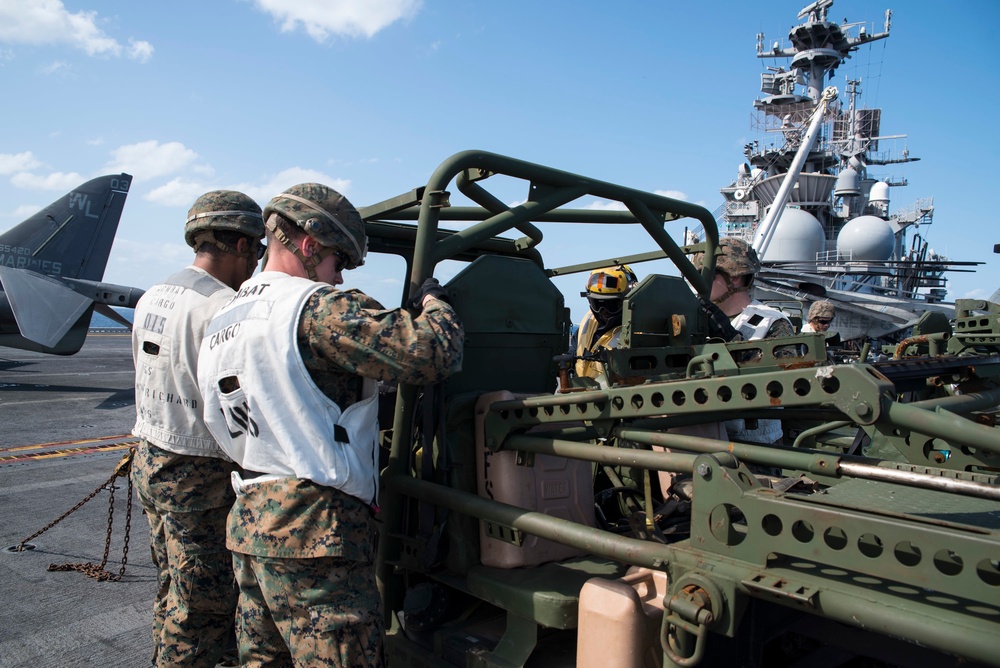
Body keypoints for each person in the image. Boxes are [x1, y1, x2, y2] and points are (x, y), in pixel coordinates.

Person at [196, 183, 464, 667]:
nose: (338, 279)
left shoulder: (223, 318)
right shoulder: (315, 308)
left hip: (252, 518)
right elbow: (433, 352)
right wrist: (434, 303)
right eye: (338, 262)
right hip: (315, 532)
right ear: (308, 245)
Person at [131, 190, 266, 667]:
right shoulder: (223, 309)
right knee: (203, 610)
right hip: (199, 478)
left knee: (172, 584)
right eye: (256, 248)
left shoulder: (155, 294)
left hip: (151, 457)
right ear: (242, 245)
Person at [692, 237, 793, 446]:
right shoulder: (696, 321)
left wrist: (730, 338)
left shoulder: (772, 322)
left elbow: (781, 385)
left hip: (755, 446)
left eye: (706, 275)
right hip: (704, 437)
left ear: (735, 278)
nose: (698, 282)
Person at [574, 265, 638, 379]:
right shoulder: (588, 321)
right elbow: (575, 349)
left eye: (611, 305)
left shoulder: (637, 333)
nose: (603, 311)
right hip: (580, 392)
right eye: (597, 304)